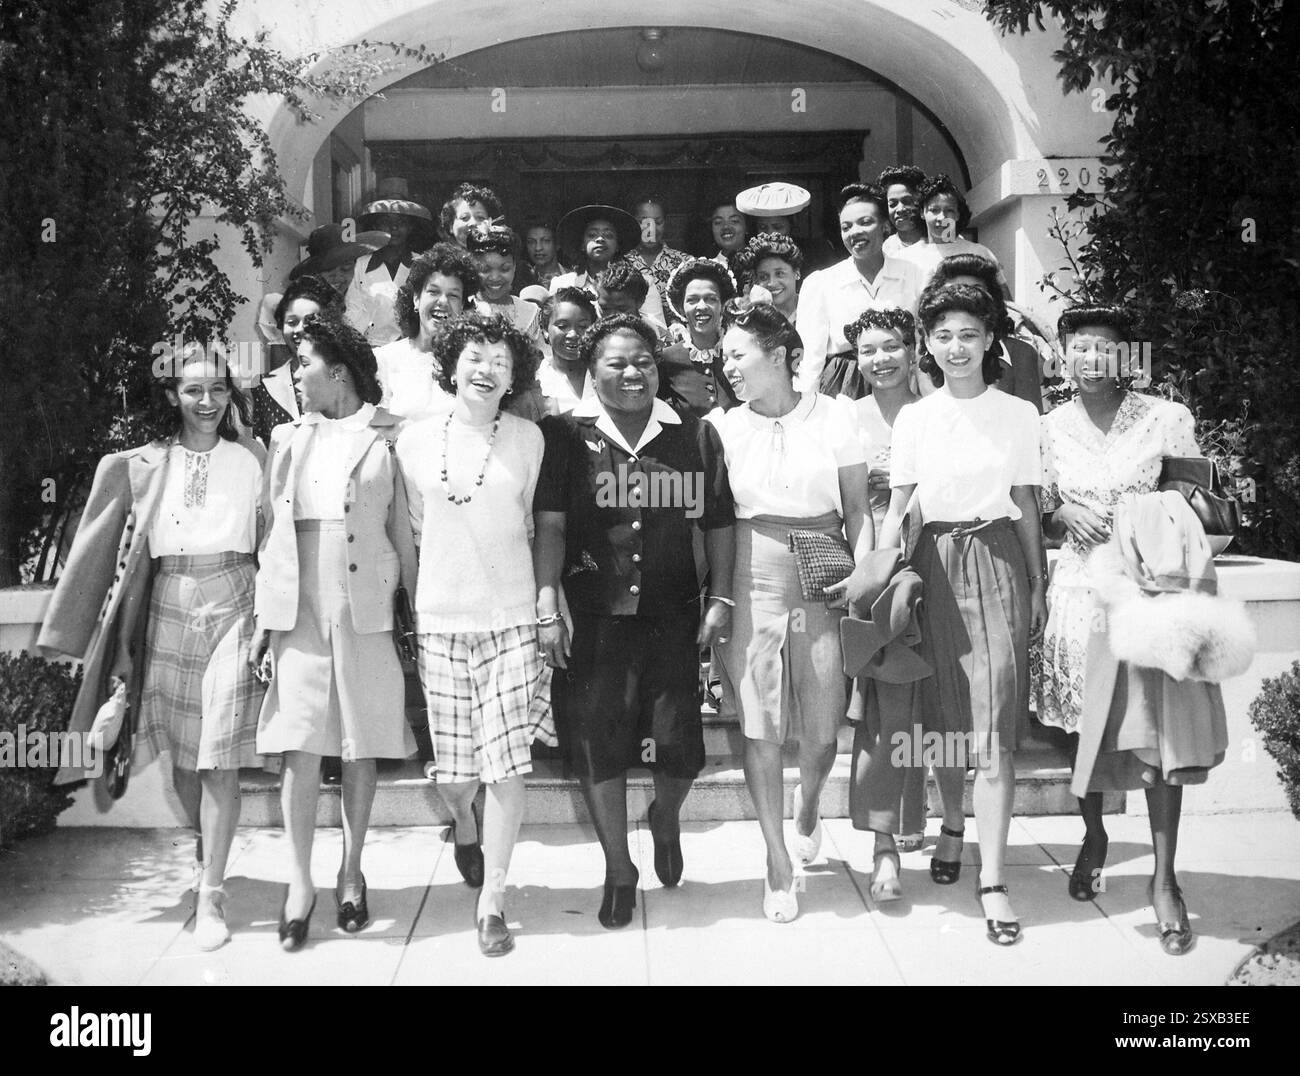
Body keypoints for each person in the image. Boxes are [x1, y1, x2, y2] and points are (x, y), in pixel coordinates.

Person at [39, 347, 266, 952]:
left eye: (218, 389)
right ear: (172, 397)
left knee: (219, 752)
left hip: (237, 598)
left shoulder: (251, 460)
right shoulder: (145, 464)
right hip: (167, 601)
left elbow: (275, 543)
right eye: (193, 391)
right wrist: (110, 647)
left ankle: (210, 892)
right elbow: (103, 547)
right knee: (188, 762)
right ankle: (209, 848)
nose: (208, 402)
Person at [1036, 304, 1226, 954]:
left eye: (1104, 350)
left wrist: (1141, 515)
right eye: (1078, 350)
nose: (1090, 362)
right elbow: (1034, 508)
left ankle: (1165, 881)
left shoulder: (1166, 418)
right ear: (1064, 357)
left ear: (1126, 356)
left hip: (1151, 597)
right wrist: (1062, 510)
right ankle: (1094, 834)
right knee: (1083, 733)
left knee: (1160, 741)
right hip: (1079, 596)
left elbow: (1199, 508)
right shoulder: (1047, 427)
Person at [534, 314, 735, 928]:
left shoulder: (695, 437)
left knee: (678, 751)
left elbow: (718, 524)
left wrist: (720, 598)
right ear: (590, 373)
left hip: (672, 616)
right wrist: (548, 606)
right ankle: (619, 868)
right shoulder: (564, 437)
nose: (631, 373)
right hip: (595, 619)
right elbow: (551, 526)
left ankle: (666, 816)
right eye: (615, 363)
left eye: (642, 361)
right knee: (598, 746)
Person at [877, 283, 1047, 947]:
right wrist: (884, 567)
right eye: (943, 336)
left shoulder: (1018, 414)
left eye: (968, 335)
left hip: (999, 558)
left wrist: (1037, 583)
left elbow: (1028, 504)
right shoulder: (915, 419)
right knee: (945, 714)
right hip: (935, 561)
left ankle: (995, 878)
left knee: (996, 715)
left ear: (990, 340)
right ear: (928, 343)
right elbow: (899, 506)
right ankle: (952, 823)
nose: (955, 348)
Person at [252, 315, 418, 951]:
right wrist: (267, 627)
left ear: (340, 372)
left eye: (304, 363)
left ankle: (352, 870)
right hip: (299, 600)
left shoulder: (391, 434)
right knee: (298, 742)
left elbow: (403, 528)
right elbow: (274, 535)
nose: (296, 374)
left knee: (359, 741)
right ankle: (299, 882)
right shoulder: (287, 437)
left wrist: (411, 604)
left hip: (365, 600)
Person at [395, 312, 554, 956]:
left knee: (507, 764)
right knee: (458, 777)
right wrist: (414, 609)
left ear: (513, 377)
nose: (486, 368)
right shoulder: (411, 440)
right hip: (440, 621)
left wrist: (543, 611)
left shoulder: (529, 440)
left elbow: (529, 524)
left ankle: (493, 902)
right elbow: (411, 530)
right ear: (451, 364)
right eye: (475, 356)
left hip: (511, 617)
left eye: (501, 361)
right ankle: (463, 823)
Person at [710, 302, 875, 923]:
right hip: (753, 563)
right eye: (724, 355)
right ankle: (777, 859)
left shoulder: (835, 416)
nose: (727, 365)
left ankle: (809, 805)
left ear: (777, 355)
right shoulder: (722, 426)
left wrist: (861, 575)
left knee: (824, 718)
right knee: (761, 718)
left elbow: (858, 508)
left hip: (825, 558)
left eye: (738, 354)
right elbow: (718, 518)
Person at [842, 307, 928, 873]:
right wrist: (868, 572)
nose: (881, 359)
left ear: (913, 348)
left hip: (938, 560)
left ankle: (922, 819)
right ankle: (883, 837)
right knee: (885, 701)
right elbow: (855, 507)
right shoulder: (847, 418)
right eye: (869, 350)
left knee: (924, 703)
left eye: (892, 346)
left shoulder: (939, 412)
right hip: (875, 566)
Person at [796, 183, 922, 398]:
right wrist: (806, 407)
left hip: (904, 380)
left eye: (865, 222)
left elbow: (923, 340)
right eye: (846, 227)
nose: (855, 232)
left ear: (885, 226)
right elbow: (810, 358)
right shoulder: (821, 283)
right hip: (846, 383)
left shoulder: (914, 275)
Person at [919, 254, 1043, 411]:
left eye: (975, 290)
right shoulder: (927, 356)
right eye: (954, 290)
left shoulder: (1020, 352)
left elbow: (1032, 419)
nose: (964, 297)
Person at [374, 244, 477, 422]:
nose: (443, 302)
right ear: (416, 298)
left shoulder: (472, 361)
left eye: (453, 295)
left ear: (462, 307)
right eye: (433, 292)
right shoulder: (384, 359)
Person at [250, 276, 340, 445]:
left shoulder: (346, 377)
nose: (299, 329)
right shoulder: (264, 388)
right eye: (291, 322)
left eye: (310, 320)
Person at [344, 185, 438, 346]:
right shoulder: (361, 264)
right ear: (376, 225)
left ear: (411, 227)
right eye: (386, 222)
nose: (394, 228)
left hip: (412, 350)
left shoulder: (422, 264)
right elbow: (353, 313)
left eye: (401, 222)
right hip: (370, 350)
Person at [550, 204, 666, 327]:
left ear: (617, 246)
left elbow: (658, 328)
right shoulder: (562, 284)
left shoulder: (643, 282)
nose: (600, 239)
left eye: (609, 235)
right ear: (582, 245)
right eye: (592, 235)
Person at [899, 174, 1010, 296]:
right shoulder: (905, 258)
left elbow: (1005, 303)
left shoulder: (980, 253)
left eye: (949, 211)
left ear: (957, 214)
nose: (942, 218)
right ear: (922, 213)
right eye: (934, 210)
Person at [663, 258, 740, 415]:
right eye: (692, 300)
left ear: (722, 305)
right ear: (681, 307)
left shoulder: (739, 352)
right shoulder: (666, 360)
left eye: (711, 299)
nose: (702, 306)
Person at [468, 225, 543, 345]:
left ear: (514, 267)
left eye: (504, 269)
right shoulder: (464, 308)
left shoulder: (531, 313)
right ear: (473, 267)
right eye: (485, 269)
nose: (495, 277)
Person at [621, 196, 690, 323]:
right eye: (644, 222)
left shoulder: (685, 262)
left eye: (657, 222)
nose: (651, 229)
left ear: (665, 223)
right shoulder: (620, 263)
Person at [537, 287, 598, 414]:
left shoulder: (604, 374)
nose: (573, 334)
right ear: (545, 331)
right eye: (562, 326)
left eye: (582, 326)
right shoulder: (536, 382)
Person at [733, 233, 803, 325]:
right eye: (763, 277)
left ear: (797, 273)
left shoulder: (814, 308)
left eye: (779, 274)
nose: (772, 283)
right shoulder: (751, 319)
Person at [878, 165, 928, 259]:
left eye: (907, 201)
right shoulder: (886, 249)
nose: (900, 209)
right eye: (892, 204)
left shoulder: (937, 239)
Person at [438, 182, 504, 249]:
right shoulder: (440, 258)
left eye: (480, 218)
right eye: (464, 218)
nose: (473, 223)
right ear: (451, 226)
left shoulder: (500, 257)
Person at [519, 218, 568, 289]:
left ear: (557, 244)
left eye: (545, 241)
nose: (538, 248)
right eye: (531, 242)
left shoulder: (574, 279)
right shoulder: (522, 281)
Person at [705, 196, 749, 274]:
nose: (726, 227)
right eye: (718, 222)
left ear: (747, 226)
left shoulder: (762, 263)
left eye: (734, 221)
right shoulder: (708, 269)